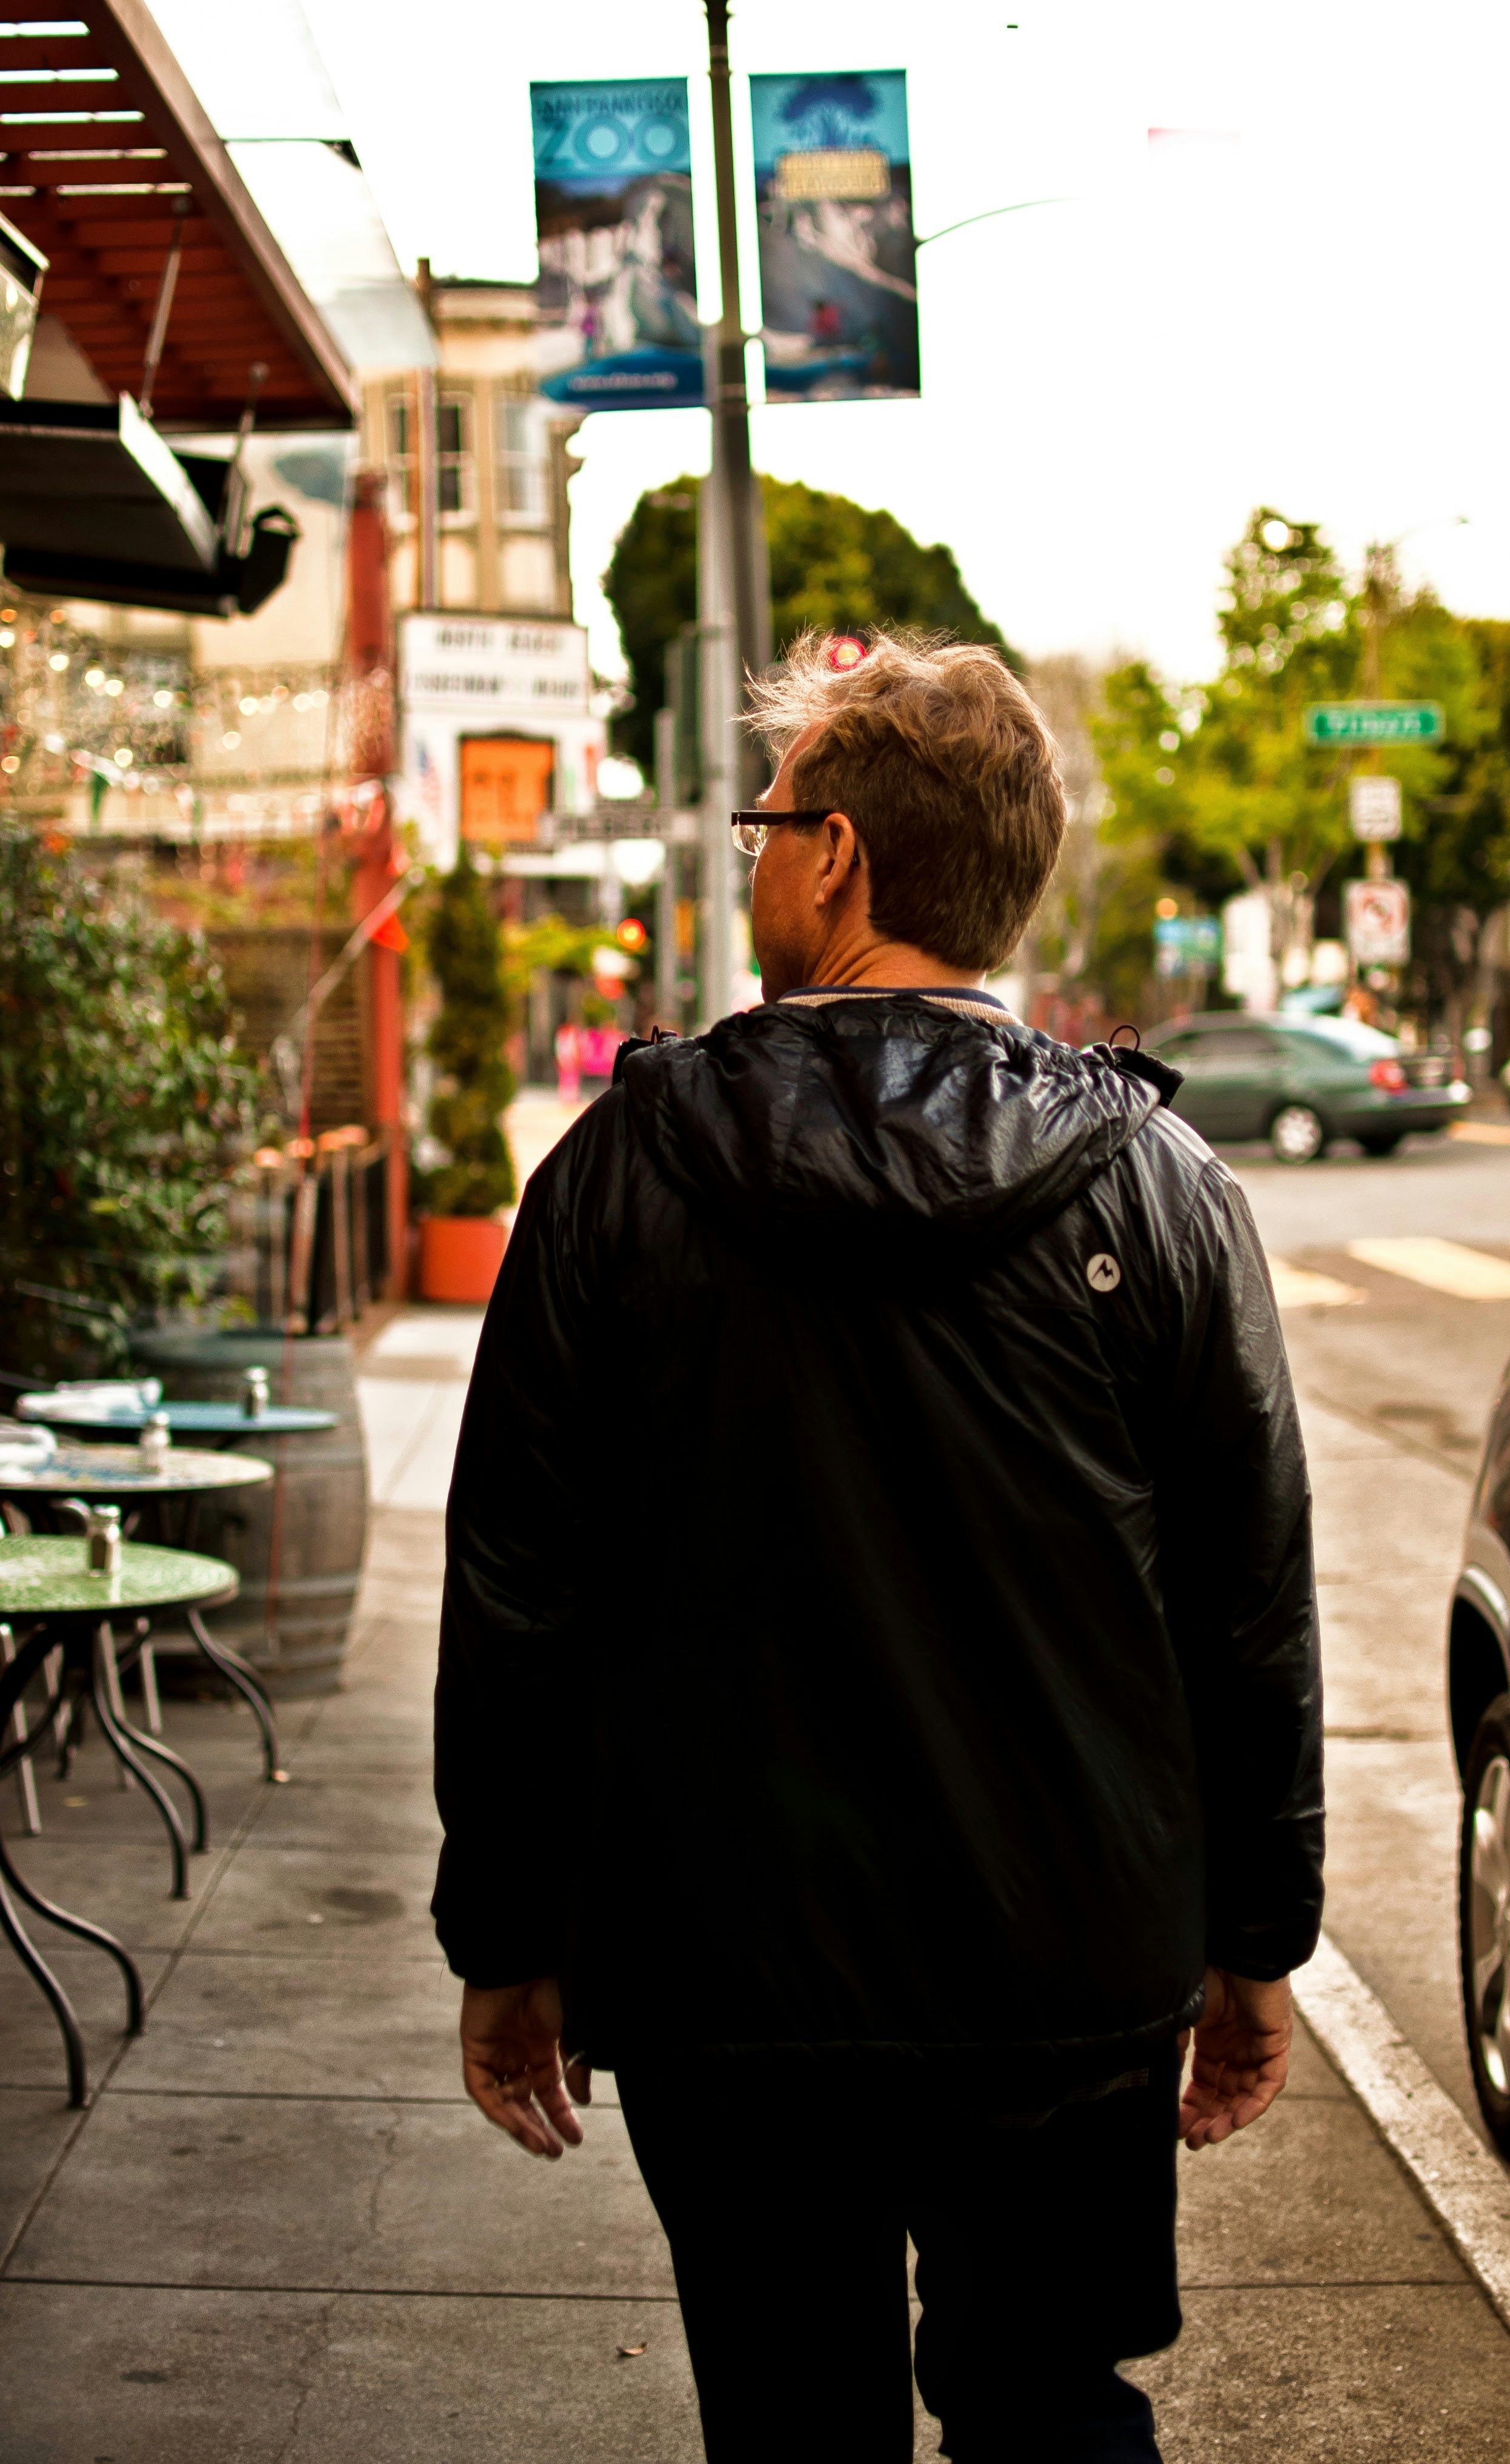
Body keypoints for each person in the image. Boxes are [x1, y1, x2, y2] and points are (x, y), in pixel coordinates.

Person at [433, 631, 1323, 2464]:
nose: (748, 853)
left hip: (725, 1983)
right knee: (1050, 2413)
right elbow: (1249, 1602)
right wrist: (1257, 1944)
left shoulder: (615, 1175)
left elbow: (519, 1588)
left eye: (763, 822)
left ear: (836, 856)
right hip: (1064, 1977)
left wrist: (507, 1935)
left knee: (789, 2428)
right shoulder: (1161, 1195)